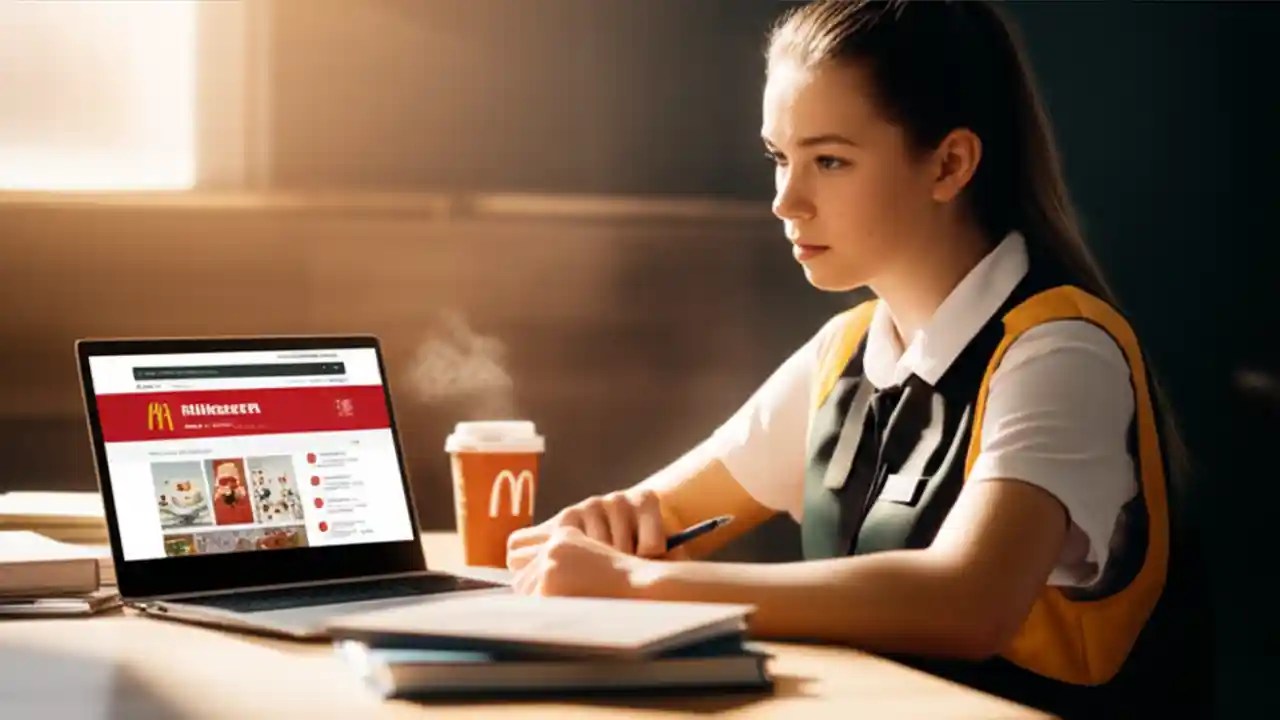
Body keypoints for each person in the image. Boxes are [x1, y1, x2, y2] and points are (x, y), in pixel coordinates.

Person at [507, 1, 1198, 715]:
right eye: (781, 157)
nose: (786, 200)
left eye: (829, 160)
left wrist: (638, 586)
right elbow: (652, 516)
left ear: (950, 163)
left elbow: (968, 602)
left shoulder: (1060, 351)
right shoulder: (845, 353)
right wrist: (600, 532)